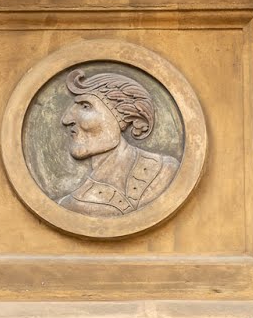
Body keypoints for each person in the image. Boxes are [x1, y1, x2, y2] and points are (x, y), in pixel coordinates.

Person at [56, 69, 179, 216]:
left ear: (121, 115)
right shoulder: (71, 205)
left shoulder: (165, 171)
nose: (66, 119)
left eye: (85, 106)